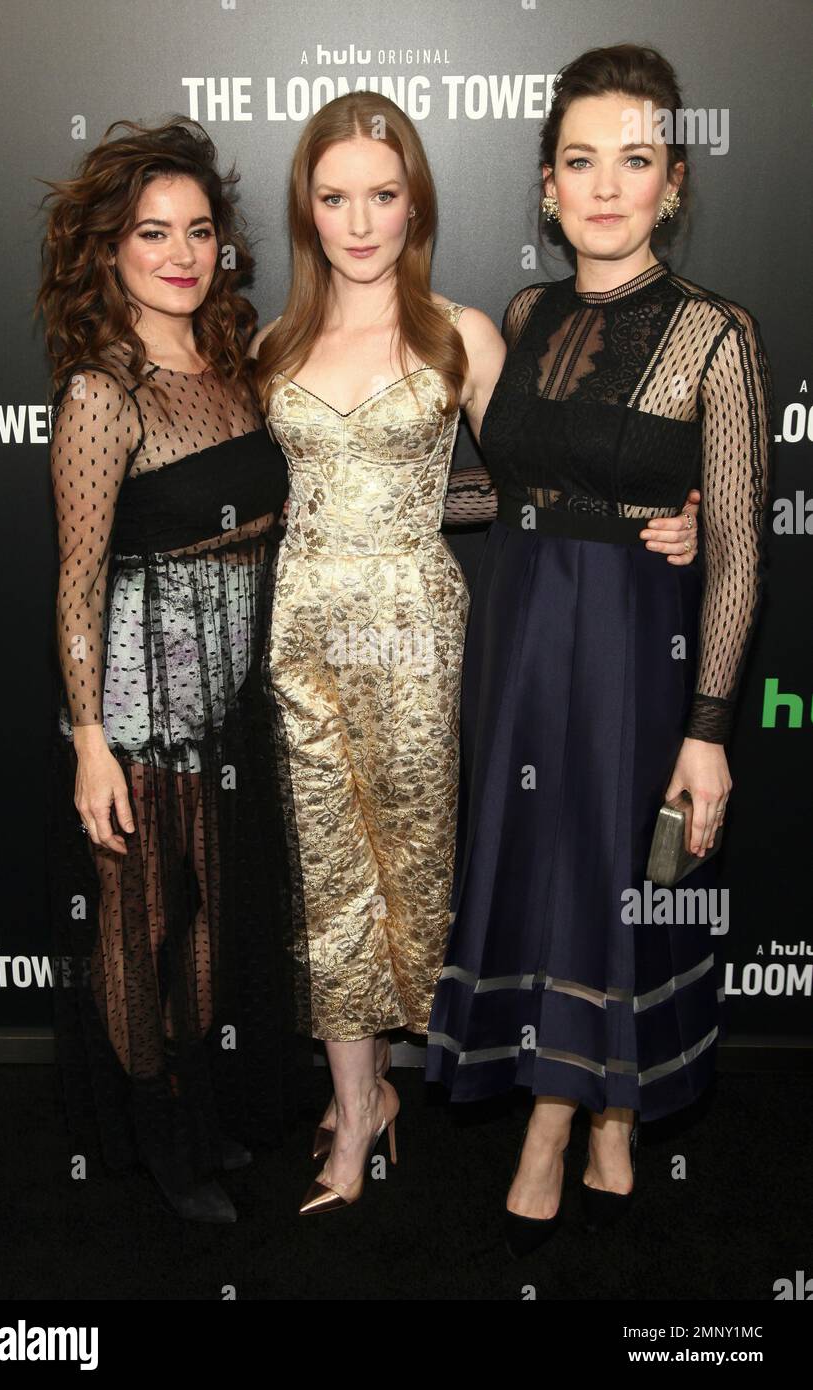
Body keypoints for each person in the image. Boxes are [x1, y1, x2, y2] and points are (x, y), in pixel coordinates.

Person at [249, 90, 701, 1216]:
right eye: (335, 196)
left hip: (419, 639)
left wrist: (668, 512)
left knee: (415, 873)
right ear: (307, 210)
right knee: (322, 882)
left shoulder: (463, 333)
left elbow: (542, 476)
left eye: (383, 196)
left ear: (417, 205)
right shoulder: (268, 345)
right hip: (301, 635)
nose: (361, 222)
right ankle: (356, 1115)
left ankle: (515, 1088)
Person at [424, 44, 773, 1255]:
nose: (606, 186)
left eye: (633, 161)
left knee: (608, 876)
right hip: (519, 639)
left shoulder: (715, 336)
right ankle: (612, 1105)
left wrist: (711, 730)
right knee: (543, 870)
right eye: (581, 161)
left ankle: (551, 1126)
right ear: (546, 186)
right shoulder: (523, 316)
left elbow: (732, 551)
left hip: (635, 647)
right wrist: (378, 493)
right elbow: (503, 493)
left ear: (670, 183)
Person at [37, 117, 312, 1224]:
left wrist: (549, 509)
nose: (180, 253)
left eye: (199, 231)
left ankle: (193, 1108)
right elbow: (76, 582)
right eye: (152, 233)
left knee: (202, 930)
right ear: (109, 250)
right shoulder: (103, 394)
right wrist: (90, 740)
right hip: (140, 721)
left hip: (231, 717)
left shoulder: (234, 369)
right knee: (138, 930)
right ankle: (153, 1132)